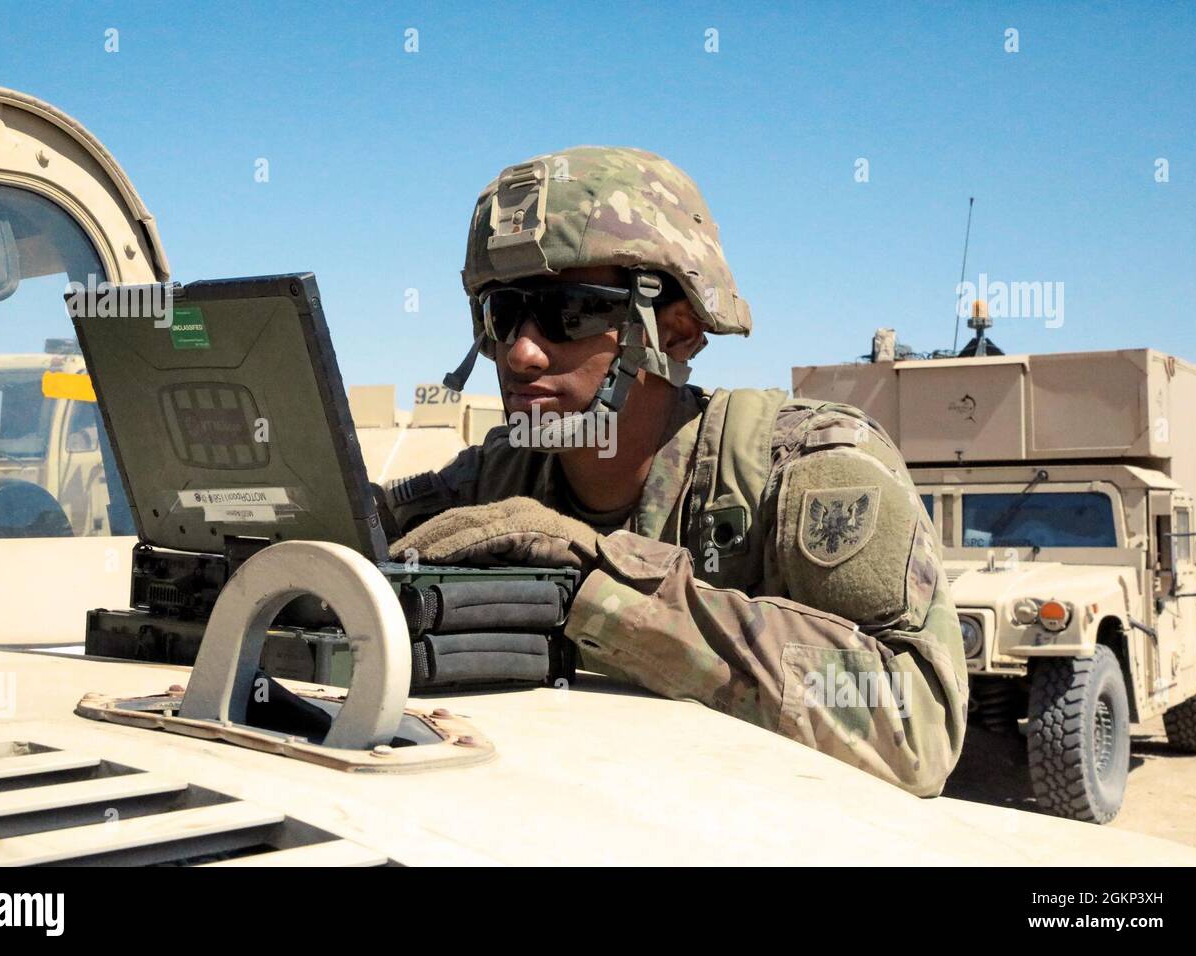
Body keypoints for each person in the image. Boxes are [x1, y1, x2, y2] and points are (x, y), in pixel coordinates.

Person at [377, 146, 967, 796]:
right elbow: (353, 527)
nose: (520, 352)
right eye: (501, 313)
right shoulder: (499, 476)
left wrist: (598, 580)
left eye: (569, 313)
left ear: (679, 330)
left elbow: (920, 731)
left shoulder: (805, 470)